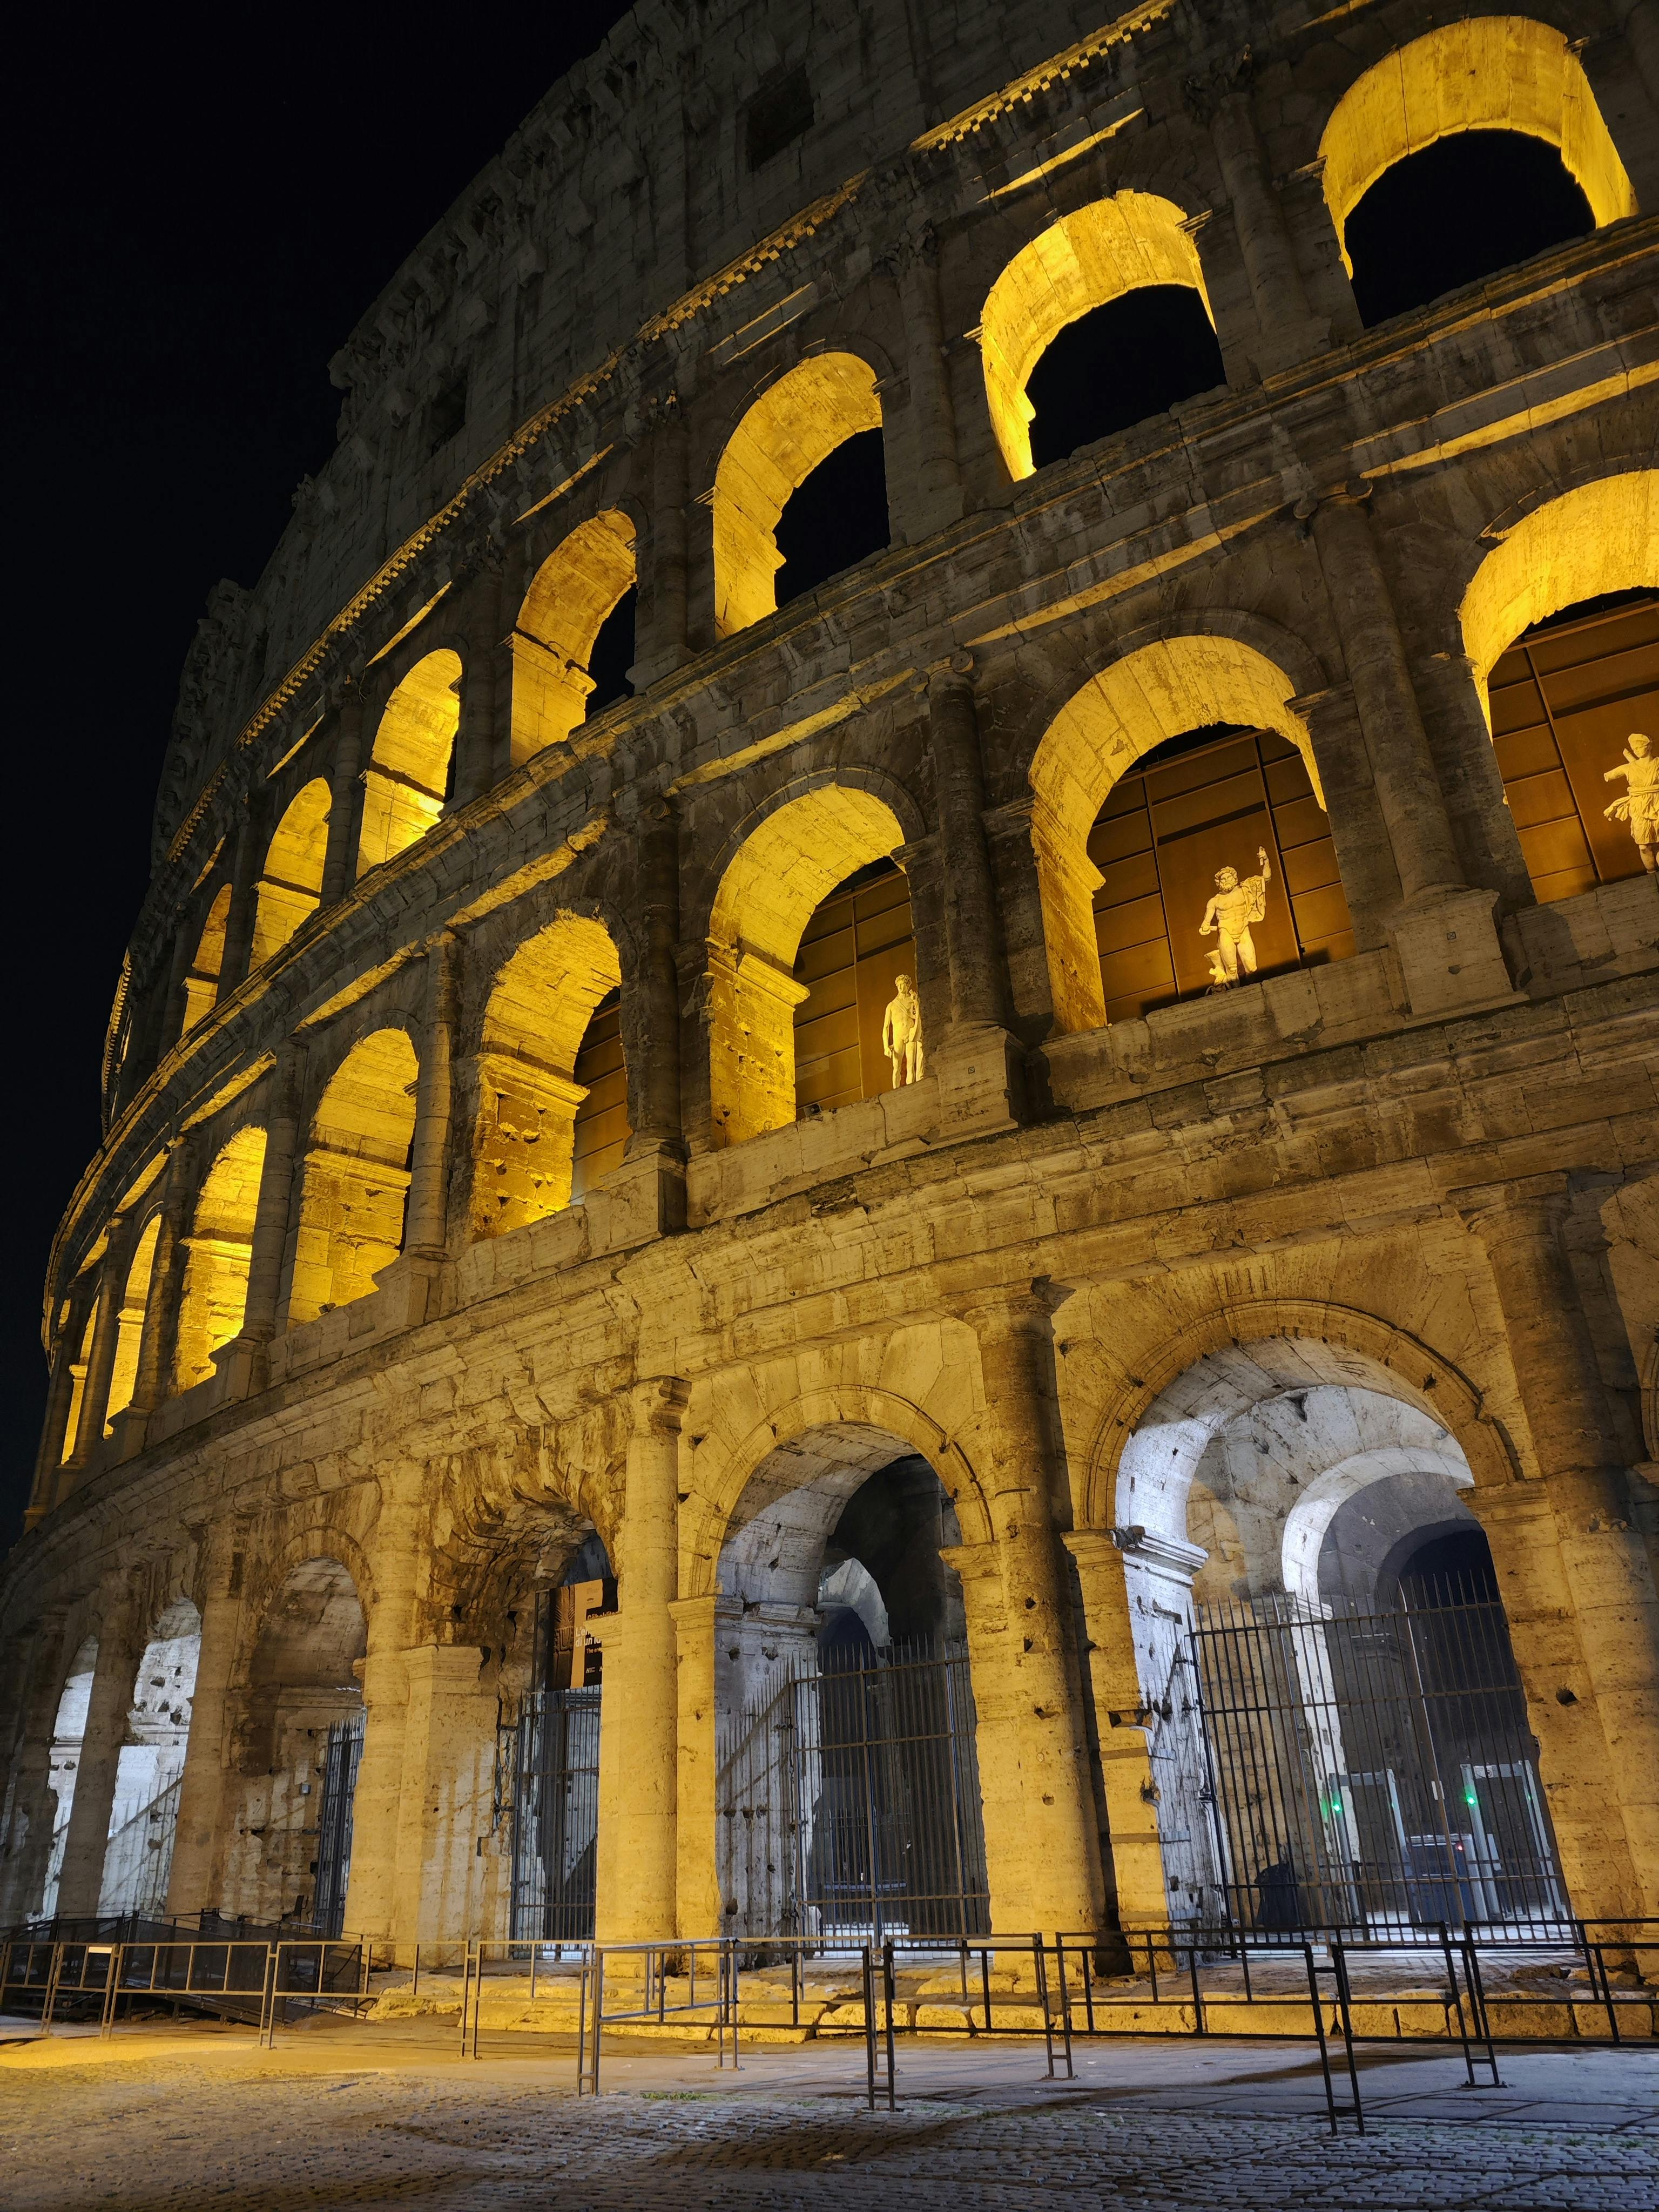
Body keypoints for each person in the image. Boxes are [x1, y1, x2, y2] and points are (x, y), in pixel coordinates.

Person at [1200, 846, 1272, 986]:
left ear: (1235, 878)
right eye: (1223, 879)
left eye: (1229, 877)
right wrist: (1205, 927)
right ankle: (1236, 995)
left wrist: (1266, 860)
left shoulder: (1246, 889)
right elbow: (1206, 922)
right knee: (1232, 970)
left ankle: (1255, 992)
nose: (1226, 880)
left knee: (1252, 968)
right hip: (1226, 932)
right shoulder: (1214, 901)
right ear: (1219, 883)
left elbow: (1266, 878)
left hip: (1244, 929)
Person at [1603, 732, 1659, 873]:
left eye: (1639, 747)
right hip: (1639, 807)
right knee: (1643, 846)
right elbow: (1609, 776)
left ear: (1649, 747)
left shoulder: (1658, 764)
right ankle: (1652, 875)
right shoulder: (1629, 768)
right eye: (1634, 749)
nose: (1636, 750)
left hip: (1658, 803)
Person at [881, 972, 925, 1087]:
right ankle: (896, 1091)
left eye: (903, 984)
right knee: (897, 1067)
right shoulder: (891, 1005)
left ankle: (912, 1089)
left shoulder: (912, 1001)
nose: (901, 987)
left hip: (910, 1035)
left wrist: (916, 1002)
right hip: (898, 1037)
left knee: (911, 1066)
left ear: (908, 985)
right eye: (899, 985)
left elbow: (918, 1017)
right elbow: (886, 1027)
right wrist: (886, 1046)